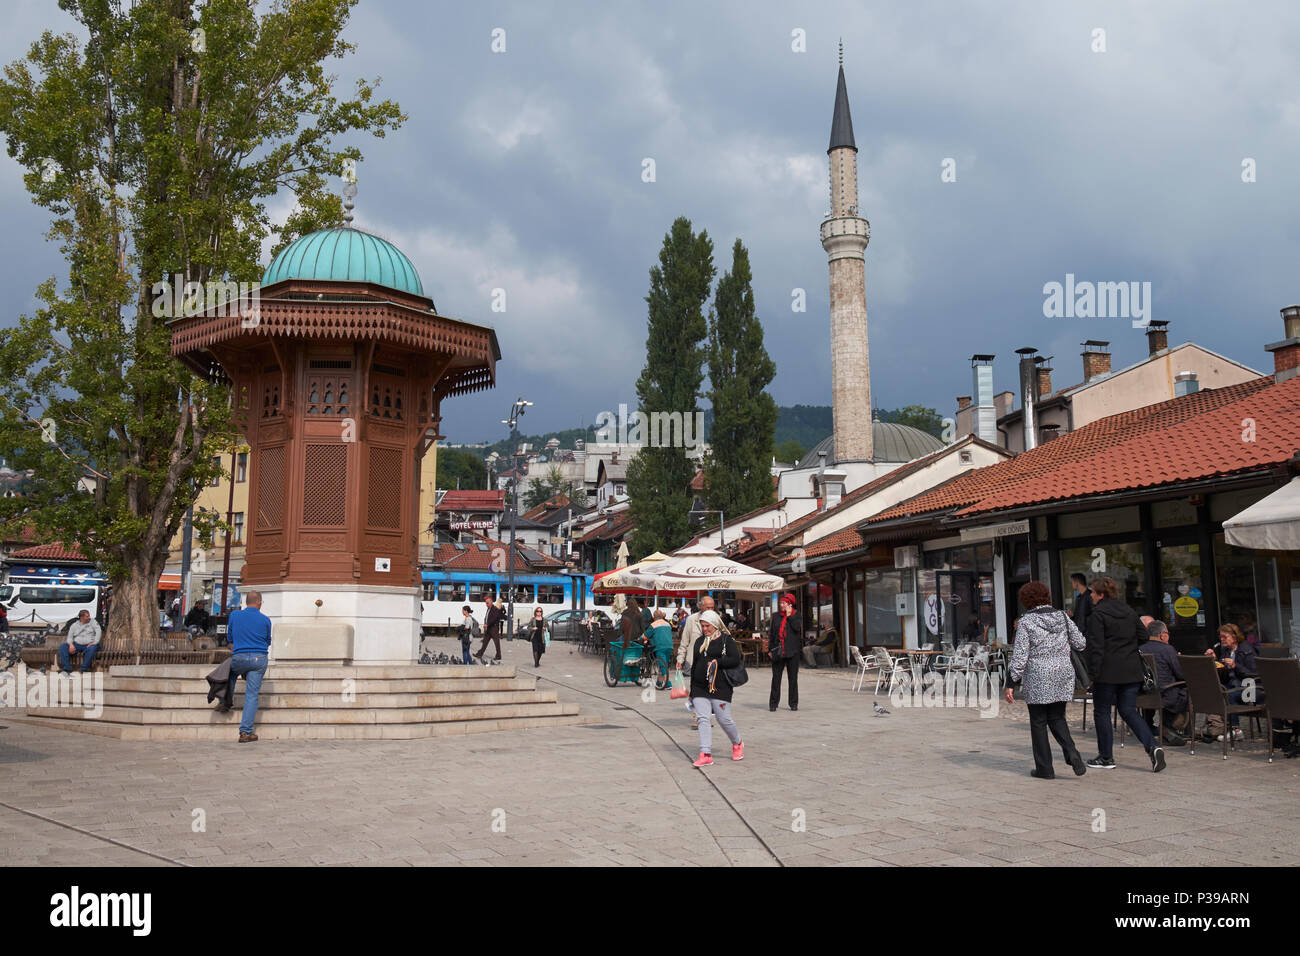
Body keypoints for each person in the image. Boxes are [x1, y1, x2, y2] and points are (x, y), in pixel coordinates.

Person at [1005, 581, 1088, 778]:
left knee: (1039, 721)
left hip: (1038, 675)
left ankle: (1045, 768)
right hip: (1062, 673)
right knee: (1058, 717)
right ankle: (1072, 754)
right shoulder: (1063, 617)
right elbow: (1081, 643)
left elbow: (1020, 655)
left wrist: (1011, 682)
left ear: (1026, 600)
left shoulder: (1026, 621)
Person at [1084, 576, 1166, 772]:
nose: (1092, 596)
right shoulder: (1129, 611)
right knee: (1128, 710)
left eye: (1093, 593)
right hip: (1131, 670)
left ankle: (1106, 757)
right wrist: (1128, 649)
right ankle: (1152, 747)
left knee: (1102, 711)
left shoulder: (1097, 615)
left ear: (1101, 594)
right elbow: (1144, 635)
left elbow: (1096, 648)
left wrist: (1092, 675)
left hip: (1107, 671)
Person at [689, 610, 744, 767]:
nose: (705, 629)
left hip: (720, 687)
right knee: (702, 718)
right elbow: (695, 666)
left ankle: (737, 742)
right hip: (700, 687)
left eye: (708, 626)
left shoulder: (726, 641)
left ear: (715, 624)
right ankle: (705, 753)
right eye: (702, 625)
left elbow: (735, 659)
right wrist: (692, 691)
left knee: (723, 719)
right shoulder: (700, 642)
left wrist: (717, 662)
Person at [227, 590, 272, 743]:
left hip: (239, 658)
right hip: (258, 659)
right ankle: (245, 732)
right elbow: (267, 641)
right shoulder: (265, 620)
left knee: (229, 674)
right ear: (259, 602)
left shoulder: (234, 615)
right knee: (251, 695)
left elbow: (230, 638)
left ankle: (224, 701)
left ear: (246, 602)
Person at [1204, 623, 1257, 741]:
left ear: (1234, 637)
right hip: (1233, 684)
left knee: (1229, 694)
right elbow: (1225, 674)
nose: (1222, 640)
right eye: (1221, 637)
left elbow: (1253, 673)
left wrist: (1235, 665)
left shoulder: (1246, 649)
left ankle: (1236, 730)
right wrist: (1215, 660)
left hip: (1248, 686)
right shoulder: (1226, 650)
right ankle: (1217, 726)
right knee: (1216, 691)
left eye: (1225, 637)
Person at [676, 595, 719, 728]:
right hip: (695, 661)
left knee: (711, 690)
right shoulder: (691, 620)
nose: (710, 610)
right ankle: (697, 717)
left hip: (712, 662)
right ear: (701, 606)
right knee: (696, 691)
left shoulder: (717, 619)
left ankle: (707, 718)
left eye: (712, 607)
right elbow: (685, 642)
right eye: (708, 607)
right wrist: (680, 659)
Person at [1143, 620, 1188, 745]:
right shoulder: (1167, 649)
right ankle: (1169, 727)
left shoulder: (1140, 648)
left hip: (1143, 693)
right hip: (1165, 695)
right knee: (1185, 691)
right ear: (1162, 635)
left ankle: (1148, 724)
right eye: (1167, 633)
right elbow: (1180, 673)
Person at [768, 593, 802, 712]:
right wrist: (770, 650)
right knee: (776, 678)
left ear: (789, 604)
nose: (781, 605)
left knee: (793, 679)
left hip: (793, 652)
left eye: (783, 603)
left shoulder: (796, 615)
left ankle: (793, 703)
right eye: (780, 603)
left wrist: (789, 616)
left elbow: (797, 628)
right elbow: (772, 634)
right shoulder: (776, 616)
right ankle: (773, 704)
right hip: (778, 651)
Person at [58, 609, 101, 674]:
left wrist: (94, 642)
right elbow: (70, 637)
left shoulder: (93, 622)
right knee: (63, 646)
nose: (89, 617)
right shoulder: (74, 625)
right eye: (87, 616)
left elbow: (98, 632)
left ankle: (84, 668)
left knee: (92, 648)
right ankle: (67, 668)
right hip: (77, 644)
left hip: (89, 644)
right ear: (81, 618)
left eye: (89, 616)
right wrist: (70, 645)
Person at [643, 608, 674, 687]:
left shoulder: (653, 625)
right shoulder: (667, 624)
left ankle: (667, 683)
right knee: (663, 664)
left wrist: (640, 639)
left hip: (660, 647)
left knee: (663, 666)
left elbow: (645, 636)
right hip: (670, 646)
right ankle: (659, 682)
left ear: (654, 616)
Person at [475, 594, 504, 662]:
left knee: (496, 643)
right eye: (486, 603)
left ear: (491, 602)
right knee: (485, 642)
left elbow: (494, 619)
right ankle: (479, 654)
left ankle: (498, 656)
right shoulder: (489, 609)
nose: (486, 604)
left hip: (494, 628)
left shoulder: (495, 609)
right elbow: (487, 617)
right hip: (489, 628)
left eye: (487, 603)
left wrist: (487, 624)